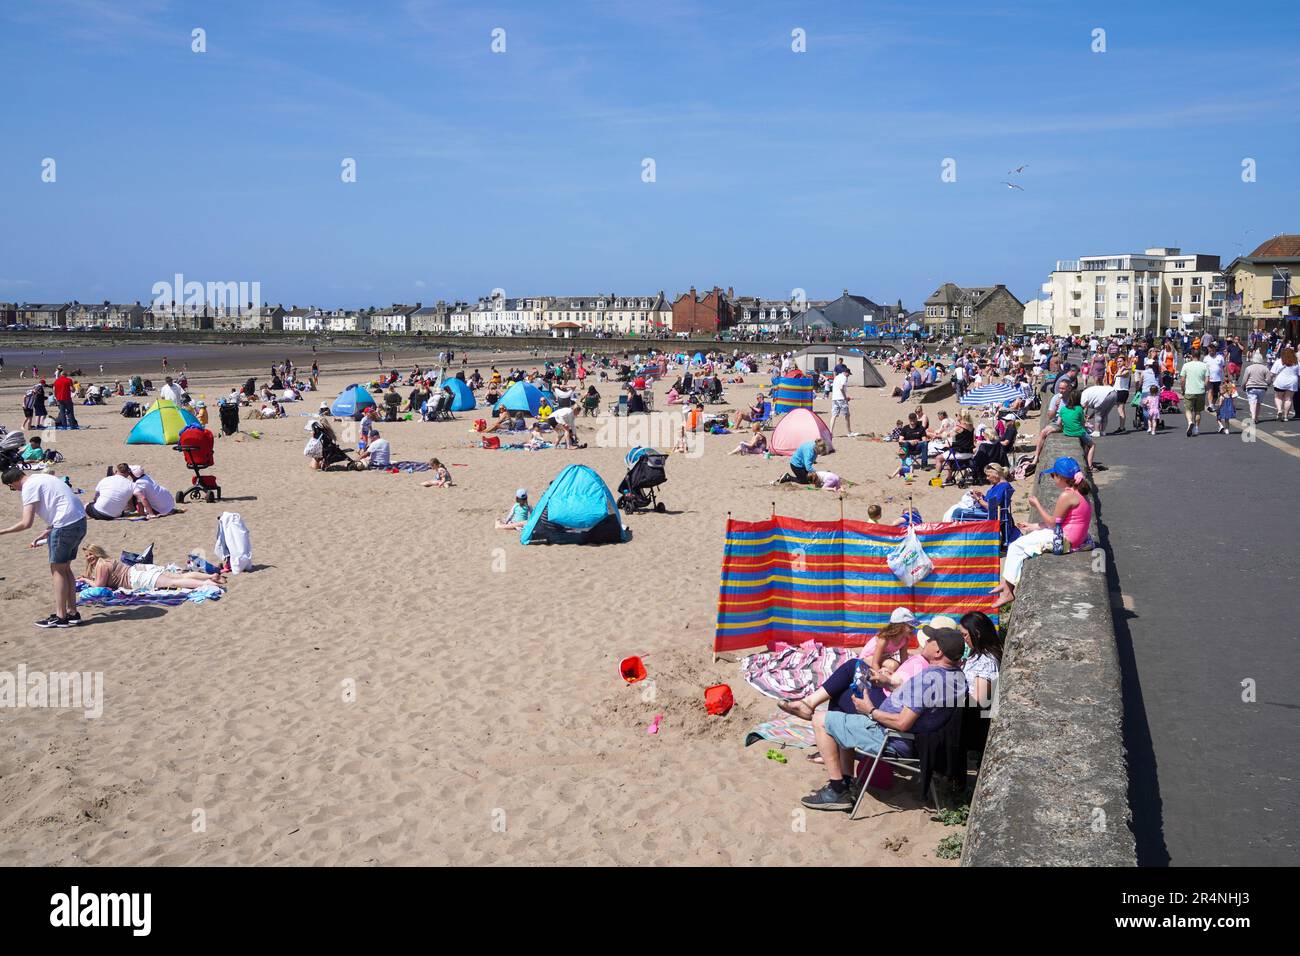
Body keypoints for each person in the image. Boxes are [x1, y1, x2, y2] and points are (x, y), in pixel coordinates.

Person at [799, 625, 967, 812]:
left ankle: (837, 790)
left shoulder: (930, 679)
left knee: (820, 720)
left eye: (931, 639)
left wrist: (870, 710)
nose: (926, 641)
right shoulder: (958, 678)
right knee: (842, 715)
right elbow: (924, 707)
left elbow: (903, 723)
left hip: (892, 738)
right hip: (920, 742)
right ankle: (846, 781)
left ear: (938, 651)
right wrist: (889, 684)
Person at [991, 457, 1092, 608]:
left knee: (1016, 546)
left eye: (1053, 476)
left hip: (1064, 540)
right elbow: (1059, 523)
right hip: (1072, 537)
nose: (1052, 479)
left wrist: (1037, 504)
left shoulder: (1067, 496)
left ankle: (1008, 591)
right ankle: (1006, 583)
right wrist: (1033, 526)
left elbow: (1052, 523)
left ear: (1061, 477)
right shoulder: (1078, 493)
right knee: (1026, 541)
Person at [1, 468, 88, 627]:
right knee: (66, 568)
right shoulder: (41, 477)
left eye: (11, 487)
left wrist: (3, 531)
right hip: (79, 522)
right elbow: (59, 501)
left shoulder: (28, 487)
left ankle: (61, 617)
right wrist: (49, 530)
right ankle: (73, 613)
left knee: (57, 570)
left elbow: (26, 523)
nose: (14, 490)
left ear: (13, 482)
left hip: (65, 526)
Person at [78, 544, 223, 593]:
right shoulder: (107, 560)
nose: (89, 558)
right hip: (139, 569)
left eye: (91, 555)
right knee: (177, 577)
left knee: (174, 583)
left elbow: (99, 586)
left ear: (97, 554)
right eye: (87, 556)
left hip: (136, 578)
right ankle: (210, 576)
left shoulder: (101, 564)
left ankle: (207, 583)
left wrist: (85, 579)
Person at [1179, 347, 1209, 437]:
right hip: (1200, 390)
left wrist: (1183, 389)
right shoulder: (1204, 365)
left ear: (1192, 356)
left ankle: (1190, 422)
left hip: (1189, 390)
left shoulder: (1186, 365)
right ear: (1200, 356)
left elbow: (1182, 380)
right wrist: (1204, 386)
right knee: (1198, 411)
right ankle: (1196, 428)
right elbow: (1207, 379)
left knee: (1188, 409)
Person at [1241, 352, 1272, 422]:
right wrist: (1268, 384)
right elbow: (1269, 379)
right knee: (1258, 403)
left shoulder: (1249, 368)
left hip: (1251, 387)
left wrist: (1243, 386)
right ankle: (1256, 417)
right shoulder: (1265, 368)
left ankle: (1253, 416)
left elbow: (1244, 379)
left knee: (1252, 402)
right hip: (1262, 387)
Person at [1270, 346, 1298, 422]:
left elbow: (1272, 373)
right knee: (1288, 399)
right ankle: (1285, 416)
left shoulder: (1279, 361)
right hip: (1292, 382)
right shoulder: (1296, 363)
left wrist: (1269, 380)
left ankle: (1279, 410)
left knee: (1278, 397)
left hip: (1280, 381)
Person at [829, 368, 852, 435]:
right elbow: (841, 388)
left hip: (834, 398)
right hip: (841, 399)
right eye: (848, 374)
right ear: (846, 373)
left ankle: (830, 432)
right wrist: (845, 398)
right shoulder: (844, 377)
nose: (848, 376)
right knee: (847, 415)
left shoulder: (837, 377)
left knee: (834, 415)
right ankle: (849, 432)